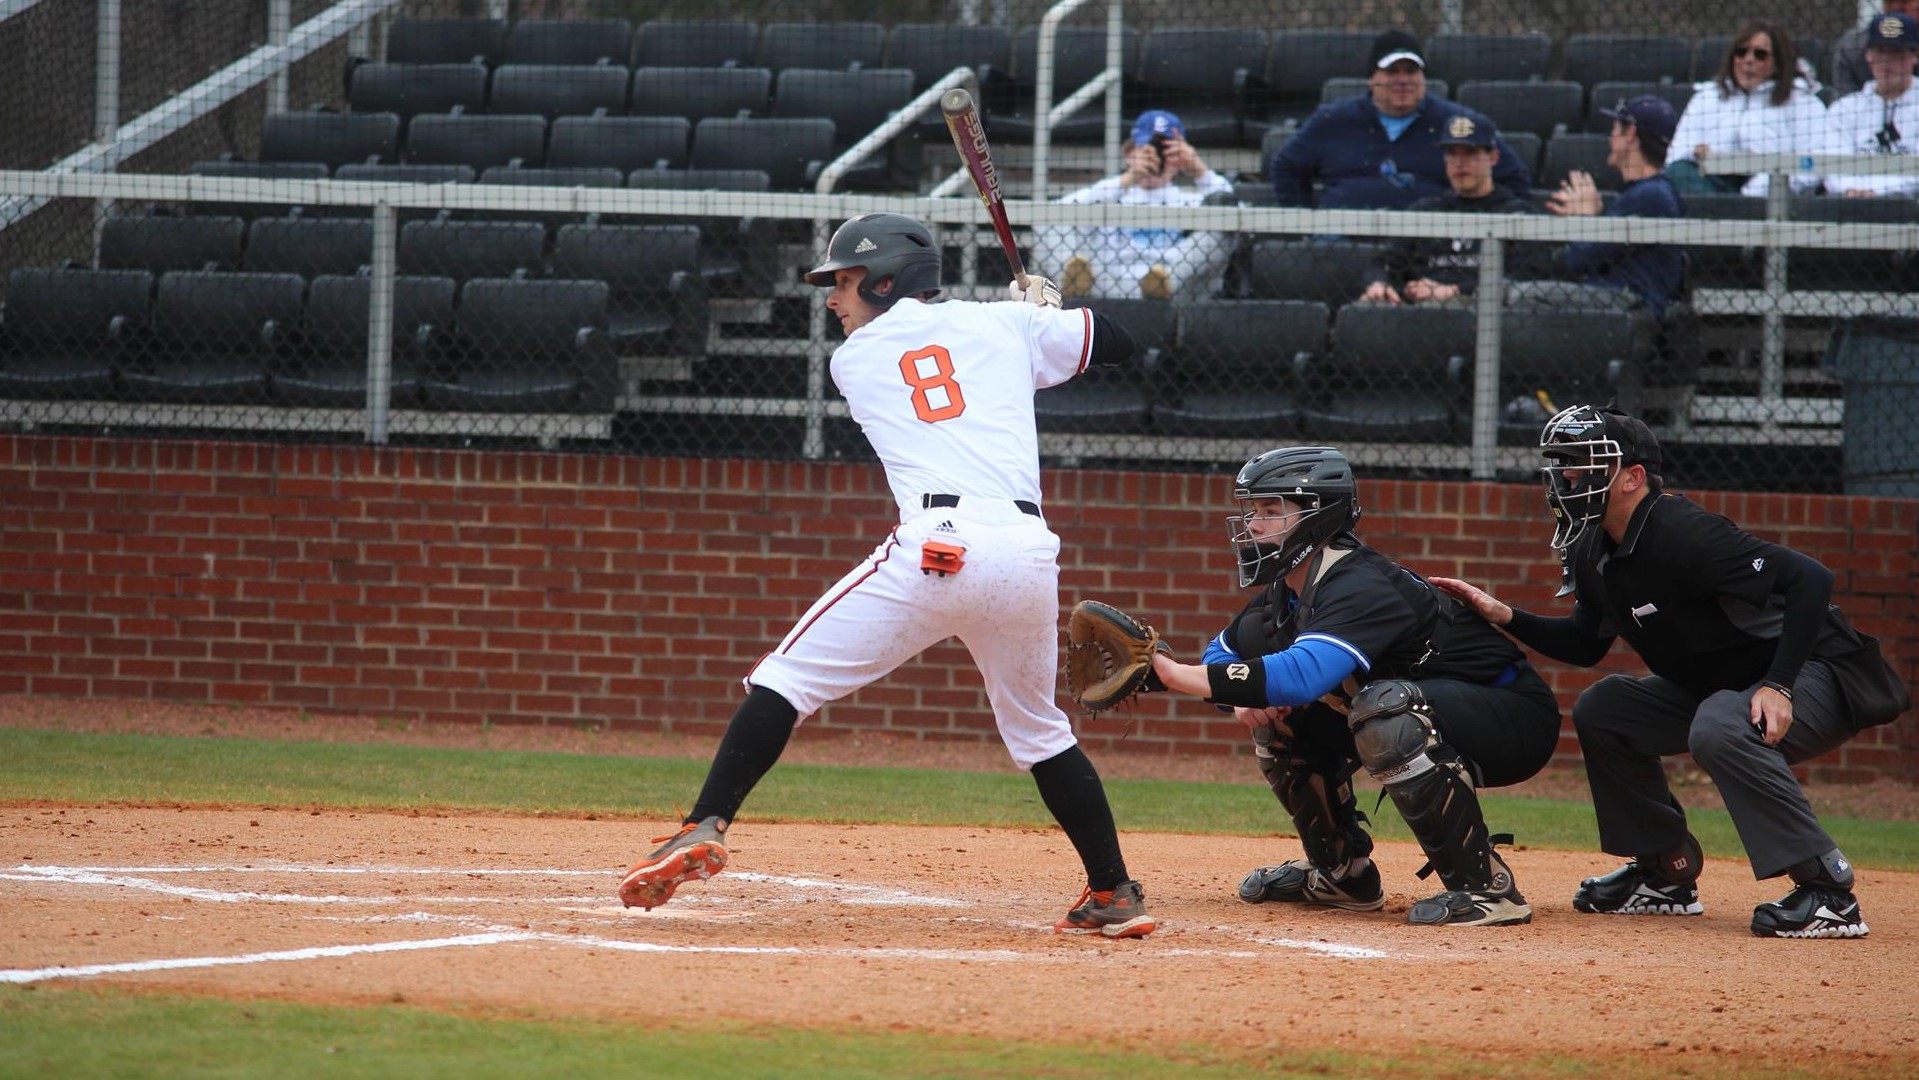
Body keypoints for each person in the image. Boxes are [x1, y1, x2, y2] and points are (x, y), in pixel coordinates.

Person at [618, 212, 1159, 940]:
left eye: (842, 282)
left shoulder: (859, 358)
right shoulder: (1002, 326)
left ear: (883, 280)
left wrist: (1023, 324)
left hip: (939, 545)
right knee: (1039, 732)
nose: (833, 299)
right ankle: (1112, 890)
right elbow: (1123, 342)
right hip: (1029, 552)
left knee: (784, 679)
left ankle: (701, 824)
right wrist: (1047, 316)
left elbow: (943, 356)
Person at [1432, 405, 1911, 939]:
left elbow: (1810, 580)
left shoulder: (1683, 531)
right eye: (1562, 464)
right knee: (1605, 708)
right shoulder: (1594, 545)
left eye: (1583, 464)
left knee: (1719, 724)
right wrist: (1507, 617)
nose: (1567, 475)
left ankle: (1827, 890)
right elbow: (1585, 646)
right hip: (1726, 687)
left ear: (1633, 477)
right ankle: (1665, 873)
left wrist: (1779, 685)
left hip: (1820, 673)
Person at [1146, 446, 1562, 927]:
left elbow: (1302, 676)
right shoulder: (1287, 591)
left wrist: (1177, 677)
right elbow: (1224, 654)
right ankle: (1343, 875)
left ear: (1319, 518)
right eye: (1253, 511)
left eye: (1271, 511)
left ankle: (1486, 888)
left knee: (1385, 709)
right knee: (1288, 722)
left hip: (1512, 719)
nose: (1254, 525)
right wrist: (1238, 699)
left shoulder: (1360, 583)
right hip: (1432, 713)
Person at [1271, 29, 1532, 210]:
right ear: (1372, 78)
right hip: (1341, 242)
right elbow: (1286, 167)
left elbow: (1513, 177)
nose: (1403, 79)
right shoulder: (1332, 120)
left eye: (1411, 70)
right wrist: (1306, 223)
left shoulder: (1458, 123)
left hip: (1428, 247)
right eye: (1392, 71)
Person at [1032, 109, 1234, 303]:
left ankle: (1161, 284)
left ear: (1180, 158)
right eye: (1148, 149)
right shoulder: (1111, 192)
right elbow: (1058, 211)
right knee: (1047, 220)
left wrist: (1199, 170)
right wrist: (1129, 178)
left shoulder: (1194, 200)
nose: (1156, 156)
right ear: (1129, 153)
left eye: (1165, 150)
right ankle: (1076, 283)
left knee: (1223, 227)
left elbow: (1234, 211)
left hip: (1173, 285)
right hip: (1107, 283)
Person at [1523, 95, 1687, 319]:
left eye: (1615, 129)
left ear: (1630, 134)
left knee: (1523, 295)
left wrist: (1584, 218)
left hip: (1631, 304)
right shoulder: (1647, 191)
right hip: (1617, 298)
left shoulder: (1650, 194)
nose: (1610, 137)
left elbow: (1578, 260)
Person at [1359, 114, 1541, 306]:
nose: (1460, 163)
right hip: (1415, 307)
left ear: (1493, 157)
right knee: (1370, 304)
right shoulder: (1425, 211)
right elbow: (1386, 261)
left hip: (1483, 307)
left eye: (1470, 153)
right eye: (1452, 153)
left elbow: (1528, 275)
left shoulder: (1517, 213)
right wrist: (1380, 283)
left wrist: (1456, 290)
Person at [1666, 20, 1827, 197]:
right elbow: (1675, 154)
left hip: (1771, 192)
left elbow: (1813, 165)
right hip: (1710, 185)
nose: (1748, 60)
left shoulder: (1804, 104)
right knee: (1677, 171)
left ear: (1777, 63)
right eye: (1741, 52)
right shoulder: (1706, 97)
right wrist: (1696, 153)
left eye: (1760, 54)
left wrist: (1755, 190)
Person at [1820, 12, 1919, 198]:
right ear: (1868, 55)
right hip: (1851, 207)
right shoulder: (1845, 109)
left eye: (1897, 53)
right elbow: (1832, 166)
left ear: (1914, 56)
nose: (1887, 62)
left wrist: (1877, 192)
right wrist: (1850, 189)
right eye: (1881, 51)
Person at [1831, 0, 1919, 97]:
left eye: (1906, 2)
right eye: (1891, 2)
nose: (1896, 7)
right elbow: (1844, 99)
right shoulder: (1852, 46)